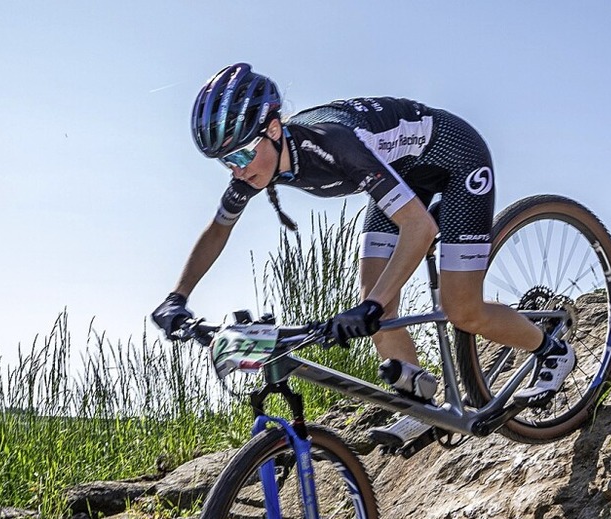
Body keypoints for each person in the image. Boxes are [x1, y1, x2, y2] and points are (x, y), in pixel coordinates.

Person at [152, 63, 575, 448]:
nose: (237, 169)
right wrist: (178, 297)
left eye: (242, 154)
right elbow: (218, 229)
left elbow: (419, 228)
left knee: (460, 309)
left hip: (455, 157)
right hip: (398, 170)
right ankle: (420, 407)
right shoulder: (255, 170)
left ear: (274, 130)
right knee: (378, 300)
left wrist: (371, 307)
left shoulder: (334, 145)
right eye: (226, 161)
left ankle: (552, 349)